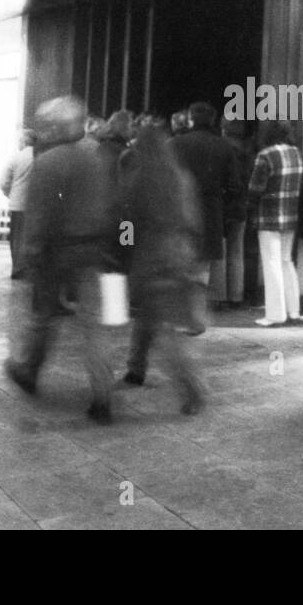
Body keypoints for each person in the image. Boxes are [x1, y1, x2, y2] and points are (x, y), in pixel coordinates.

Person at [6, 96, 122, 423]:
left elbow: (40, 216)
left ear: (56, 127)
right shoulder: (98, 157)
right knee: (95, 326)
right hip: (94, 250)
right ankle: (102, 398)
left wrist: (31, 252)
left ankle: (29, 370)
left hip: (55, 252)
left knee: (42, 316)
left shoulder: (49, 161)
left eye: (46, 125)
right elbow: (112, 206)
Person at [120, 121, 205, 414]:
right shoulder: (182, 177)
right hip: (181, 254)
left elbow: (127, 219)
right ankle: (135, 367)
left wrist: (125, 247)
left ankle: (192, 390)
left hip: (153, 255)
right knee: (150, 316)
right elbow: (194, 220)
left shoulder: (140, 176)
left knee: (164, 325)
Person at [173, 102, 242, 332]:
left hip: (181, 210)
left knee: (181, 265)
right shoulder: (224, 147)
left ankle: (182, 316)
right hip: (212, 211)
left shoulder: (175, 144)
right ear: (212, 121)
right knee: (202, 270)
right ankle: (197, 318)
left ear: (191, 119)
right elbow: (234, 185)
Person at [248, 121, 303, 327]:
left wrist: (250, 206)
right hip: (290, 215)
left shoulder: (265, 155)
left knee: (271, 264)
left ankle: (275, 315)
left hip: (269, 215)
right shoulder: (296, 153)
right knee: (286, 261)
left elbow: (255, 188)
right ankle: (294, 311)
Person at [215, 118, 254, 308]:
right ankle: (236, 296)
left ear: (224, 128)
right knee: (237, 251)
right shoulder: (248, 151)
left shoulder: (221, 148)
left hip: (223, 205)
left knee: (221, 251)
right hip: (241, 206)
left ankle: (220, 296)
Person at [0, 129, 36, 279]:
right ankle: (29, 269)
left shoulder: (16, 158)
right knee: (30, 237)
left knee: (16, 238)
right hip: (34, 205)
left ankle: (17, 268)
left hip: (17, 204)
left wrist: (10, 194)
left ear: (24, 142)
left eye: (19, 141)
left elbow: (3, 181)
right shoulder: (40, 157)